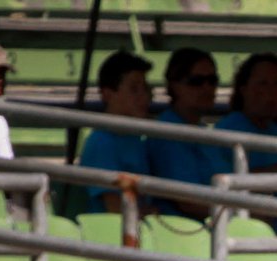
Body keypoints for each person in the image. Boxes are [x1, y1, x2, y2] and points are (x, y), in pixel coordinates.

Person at [216, 53, 277, 235]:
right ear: (243, 88)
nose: (270, 92)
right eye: (262, 83)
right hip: (249, 232)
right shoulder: (229, 129)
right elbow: (235, 182)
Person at [146, 48, 224, 218]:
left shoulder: (205, 133)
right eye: (197, 81)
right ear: (175, 85)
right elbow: (188, 201)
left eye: (213, 80)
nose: (207, 88)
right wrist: (245, 211)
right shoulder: (166, 133)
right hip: (181, 233)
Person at [73, 51, 153, 215]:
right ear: (108, 94)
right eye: (134, 89)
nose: (144, 96)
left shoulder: (135, 139)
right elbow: (115, 209)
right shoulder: (102, 143)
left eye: (145, 88)